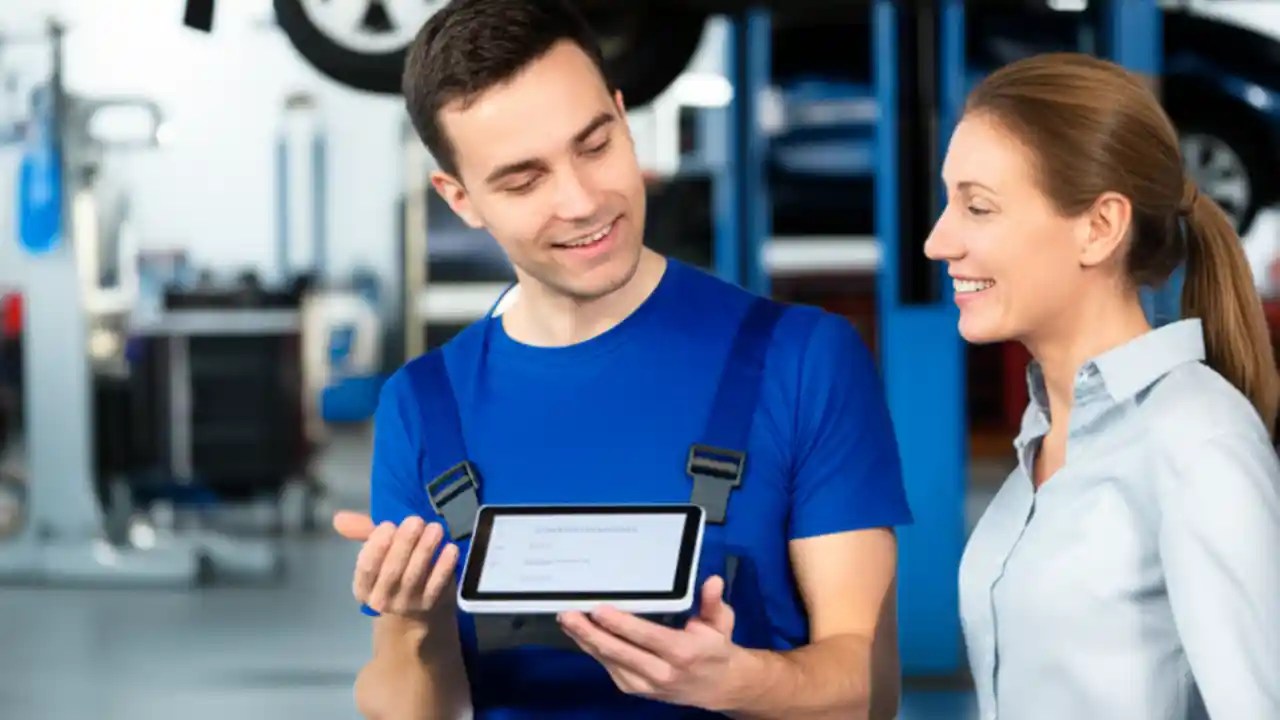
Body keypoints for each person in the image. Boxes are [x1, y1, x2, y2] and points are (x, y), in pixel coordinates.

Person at [335, 1, 914, 718]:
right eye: (524, 181)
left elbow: (870, 686)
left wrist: (733, 682)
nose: (581, 200)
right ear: (461, 199)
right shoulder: (423, 405)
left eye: (595, 145)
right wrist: (412, 626)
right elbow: (414, 704)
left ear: (622, 114)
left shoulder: (800, 361)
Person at [925, 52, 1280, 719]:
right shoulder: (1045, 439)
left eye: (977, 207)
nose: (939, 241)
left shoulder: (1195, 438)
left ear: (1099, 227)